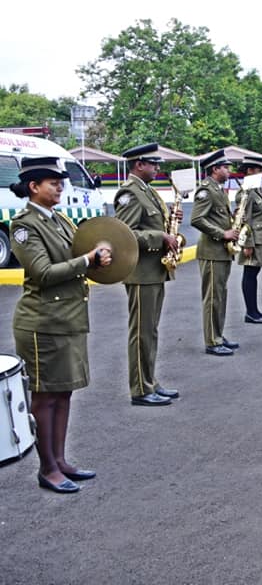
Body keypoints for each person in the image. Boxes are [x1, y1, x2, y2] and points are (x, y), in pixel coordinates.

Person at [9, 157, 112, 493]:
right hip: (42, 322)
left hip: (66, 318)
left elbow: (79, 255)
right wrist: (87, 260)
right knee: (45, 396)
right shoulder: (24, 225)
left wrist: (100, 257)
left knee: (63, 392)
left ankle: (61, 459)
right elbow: (43, 273)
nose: (60, 186)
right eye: (52, 181)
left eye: (60, 181)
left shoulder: (60, 219)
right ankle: (47, 468)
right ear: (34, 186)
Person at [114, 143, 180, 406]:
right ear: (138, 164)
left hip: (154, 271)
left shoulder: (147, 191)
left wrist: (169, 223)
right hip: (141, 273)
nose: (157, 167)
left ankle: (149, 380)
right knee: (141, 332)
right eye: (153, 163)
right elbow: (124, 233)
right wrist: (160, 236)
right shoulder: (129, 193)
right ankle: (140, 389)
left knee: (150, 331)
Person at [189, 149, 240, 356]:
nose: (229, 170)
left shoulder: (218, 190)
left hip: (221, 252)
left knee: (220, 296)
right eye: (225, 167)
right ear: (215, 169)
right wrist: (223, 233)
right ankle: (212, 340)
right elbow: (196, 219)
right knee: (212, 298)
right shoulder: (206, 190)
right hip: (211, 252)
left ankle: (218, 334)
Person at [235, 156, 262, 324]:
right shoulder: (246, 192)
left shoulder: (256, 190)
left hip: (260, 237)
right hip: (252, 239)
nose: (261, 173)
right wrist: (247, 244)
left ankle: (254, 310)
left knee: (253, 273)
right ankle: (250, 312)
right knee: (249, 274)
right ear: (250, 171)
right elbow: (244, 219)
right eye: (258, 170)